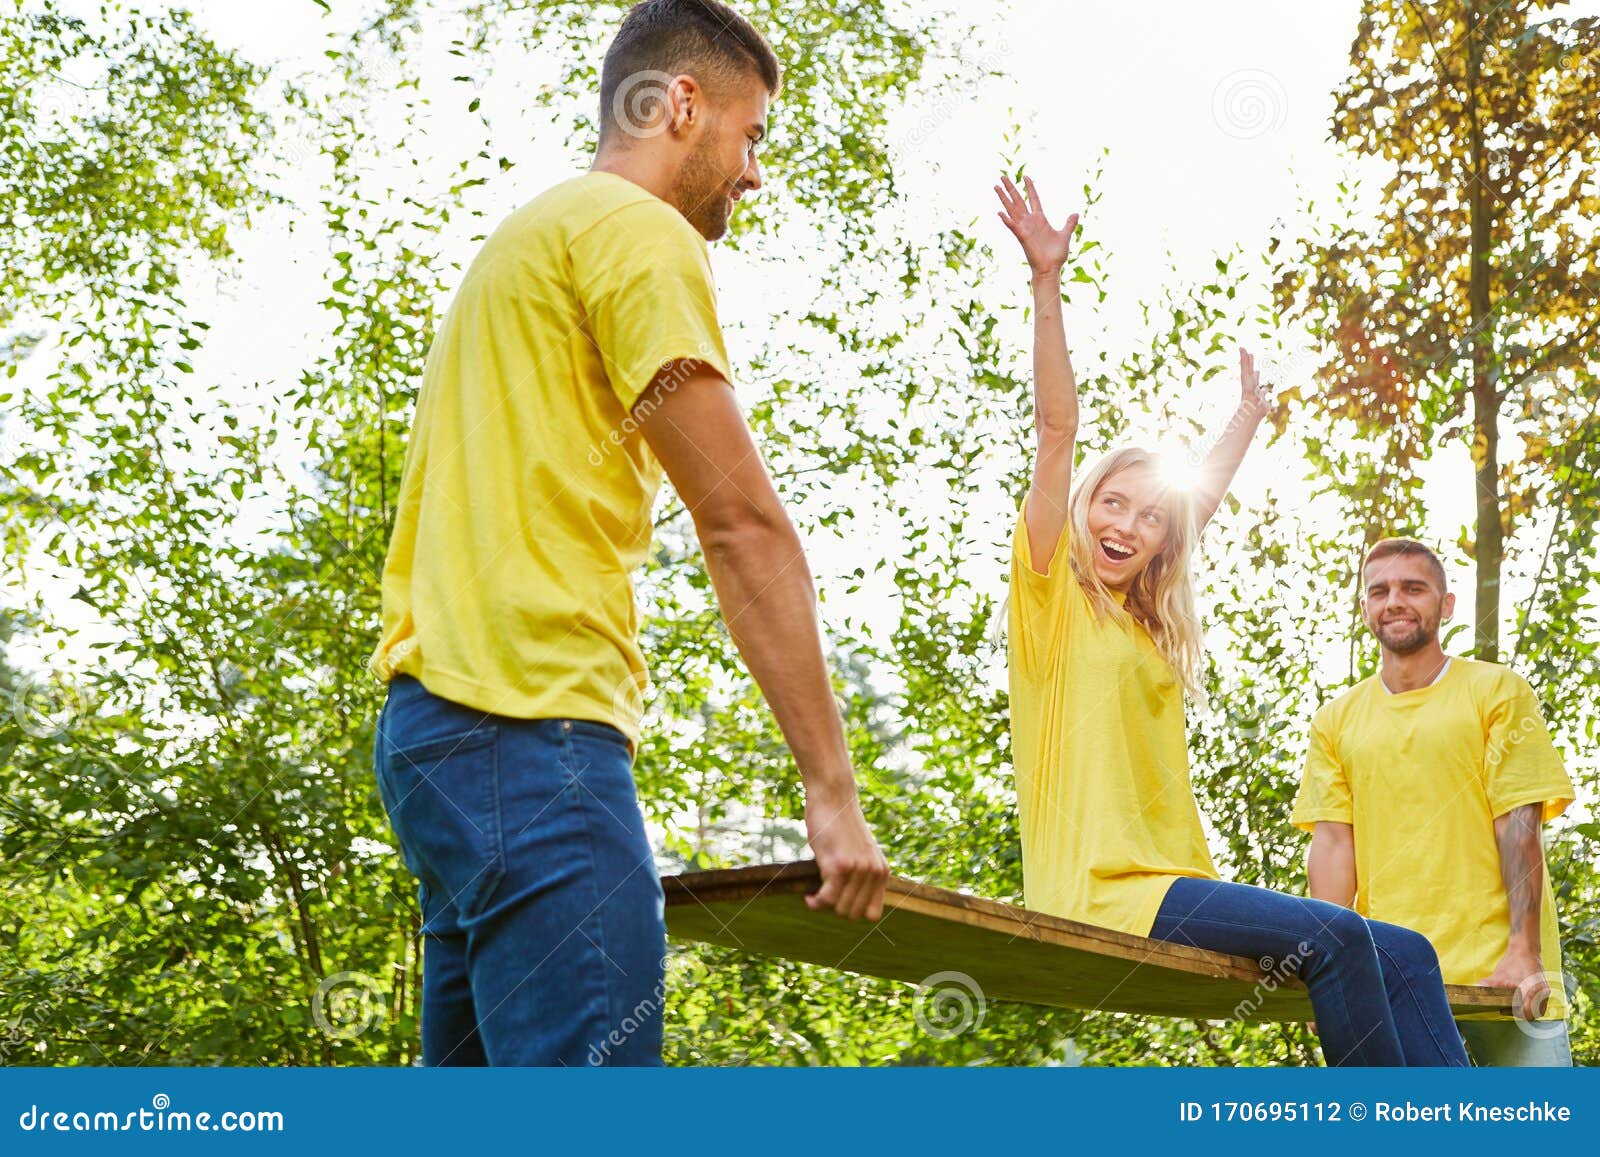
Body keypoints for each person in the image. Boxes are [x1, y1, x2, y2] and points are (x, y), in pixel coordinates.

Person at [367, 0, 888, 1067]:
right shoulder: (637, 235)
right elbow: (741, 522)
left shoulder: (529, 238)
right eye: (752, 137)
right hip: (533, 727)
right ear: (682, 105)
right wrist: (831, 793)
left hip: (436, 739)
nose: (753, 173)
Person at [997, 172, 1468, 1066]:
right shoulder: (1051, 598)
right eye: (1113, 503)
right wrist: (1047, 283)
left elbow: (1194, 502)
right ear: (1085, 501)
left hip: (1173, 882)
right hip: (1099, 891)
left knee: (1407, 950)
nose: (1124, 526)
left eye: (1146, 517)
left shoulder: (1143, 623)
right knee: (1337, 936)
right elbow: (1057, 429)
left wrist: (1246, 418)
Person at [1293, 537, 1576, 1066]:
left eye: (1413, 588)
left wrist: (1524, 950)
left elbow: (1518, 825)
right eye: (1379, 591)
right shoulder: (1336, 720)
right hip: (1390, 976)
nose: (1394, 601)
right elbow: (1334, 846)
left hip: (1503, 975)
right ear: (1364, 609)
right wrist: (1325, 967)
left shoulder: (1497, 692)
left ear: (1446, 605)